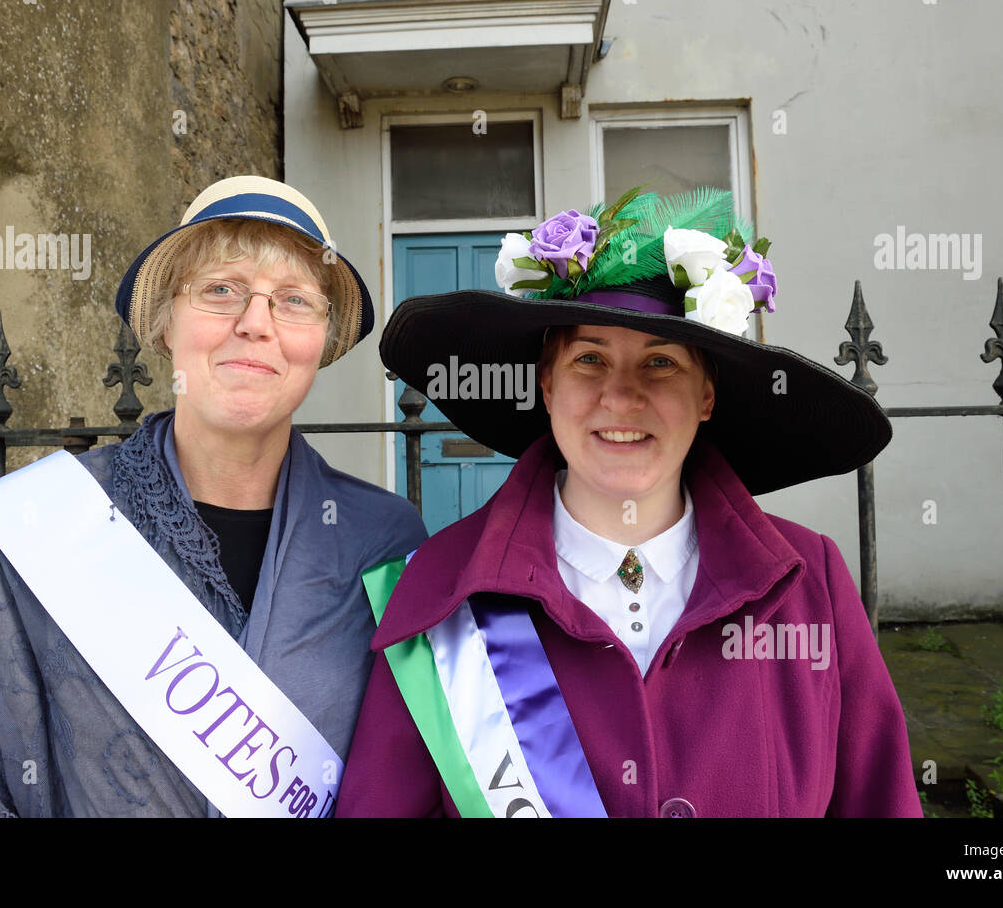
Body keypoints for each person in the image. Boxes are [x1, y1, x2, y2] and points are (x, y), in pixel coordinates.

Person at [336, 187, 922, 817]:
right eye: (589, 359)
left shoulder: (813, 584)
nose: (621, 397)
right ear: (546, 385)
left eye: (661, 363)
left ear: (706, 396)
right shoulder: (441, 593)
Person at [0, 175, 426, 817]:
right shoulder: (27, 533)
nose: (255, 324)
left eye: (294, 300)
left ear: (321, 341)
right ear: (165, 324)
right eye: (221, 290)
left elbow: (409, 785)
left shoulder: (383, 546)